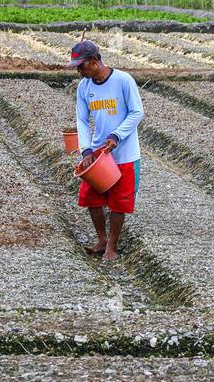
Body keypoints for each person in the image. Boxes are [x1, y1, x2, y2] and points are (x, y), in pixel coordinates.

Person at [71, 38, 144, 261]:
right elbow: (82, 121)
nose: (79, 72)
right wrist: (86, 150)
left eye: (81, 66)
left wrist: (117, 135)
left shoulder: (123, 80)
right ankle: (101, 238)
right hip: (98, 154)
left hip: (124, 153)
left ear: (94, 61)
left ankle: (112, 245)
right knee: (91, 197)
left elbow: (136, 112)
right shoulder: (84, 87)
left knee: (119, 202)